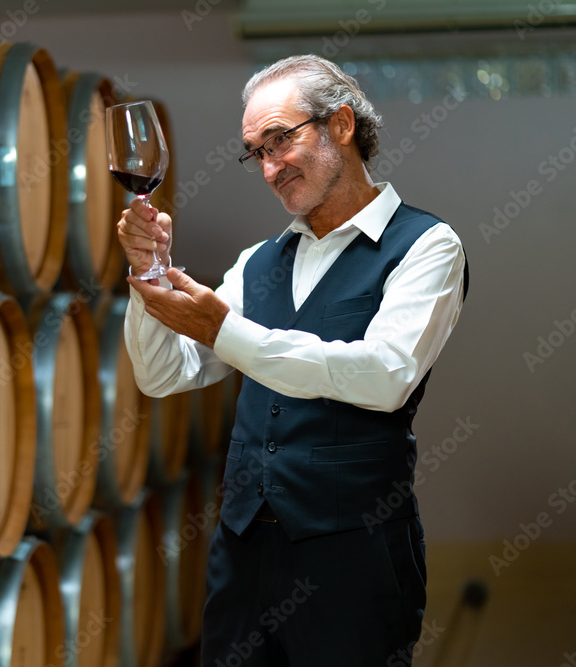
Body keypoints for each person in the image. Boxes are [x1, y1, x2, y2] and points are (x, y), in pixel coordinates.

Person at [117, 55, 468, 665]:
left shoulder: (426, 246)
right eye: (257, 152)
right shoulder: (258, 262)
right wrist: (149, 272)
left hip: (354, 559)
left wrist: (224, 330)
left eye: (280, 140)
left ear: (341, 125)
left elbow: (385, 375)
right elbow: (163, 373)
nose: (270, 167)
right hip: (243, 554)